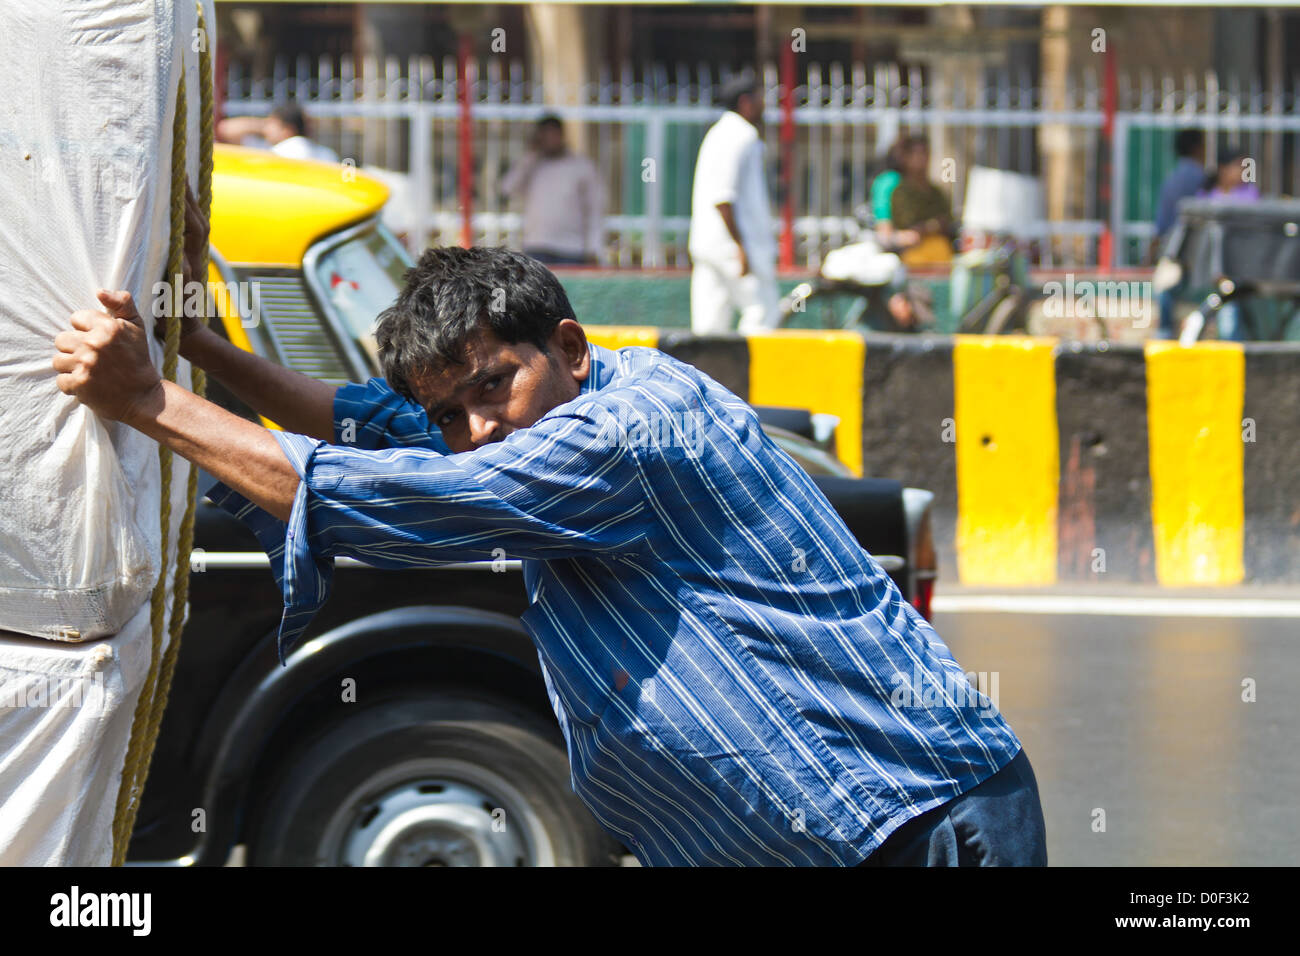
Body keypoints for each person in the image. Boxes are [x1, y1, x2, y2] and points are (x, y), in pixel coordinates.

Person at [53, 244, 1047, 867]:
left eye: (494, 384)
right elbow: (375, 426)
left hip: (916, 825)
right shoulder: (537, 412)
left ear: (568, 347)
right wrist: (205, 351)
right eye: (455, 410)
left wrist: (146, 400)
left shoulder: (619, 436)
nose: (479, 427)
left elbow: (409, 495)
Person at [688, 71, 780, 334]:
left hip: (709, 246)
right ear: (745, 102)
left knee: (708, 329)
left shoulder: (718, 133)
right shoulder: (741, 134)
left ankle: (710, 375)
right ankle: (752, 376)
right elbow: (723, 197)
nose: (764, 104)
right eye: (760, 97)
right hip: (735, 247)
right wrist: (740, 245)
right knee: (763, 315)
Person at [500, 114, 606, 266]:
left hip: (572, 248)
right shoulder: (532, 164)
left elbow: (595, 209)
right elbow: (507, 188)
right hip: (536, 245)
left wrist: (594, 248)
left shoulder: (582, 166)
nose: (549, 140)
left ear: (562, 135)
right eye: (544, 135)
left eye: (553, 134)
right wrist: (530, 155)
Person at [1153, 129, 1207, 339]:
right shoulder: (1201, 179)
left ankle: (1165, 337)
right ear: (1197, 148)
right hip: (1196, 251)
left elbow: (1161, 224)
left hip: (1172, 250)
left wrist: (1153, 253)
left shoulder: (1171, 180)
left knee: (1167, 297)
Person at [887, 135, 957, 267]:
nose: (921, 158)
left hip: (941, 251)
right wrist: (932, 226)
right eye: (915, 153)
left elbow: (947, 220)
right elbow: (910, 227)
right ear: (905, 158)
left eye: (924, 153)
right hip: (914, 252)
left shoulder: (936, 192)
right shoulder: (901, 192)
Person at [216, 101, 339, 164]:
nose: (267, 129)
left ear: (287, 130)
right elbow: (225, 129)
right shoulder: (327, 154)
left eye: (271, 124)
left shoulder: (275, 153)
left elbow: (225, 129)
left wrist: (261, 125)